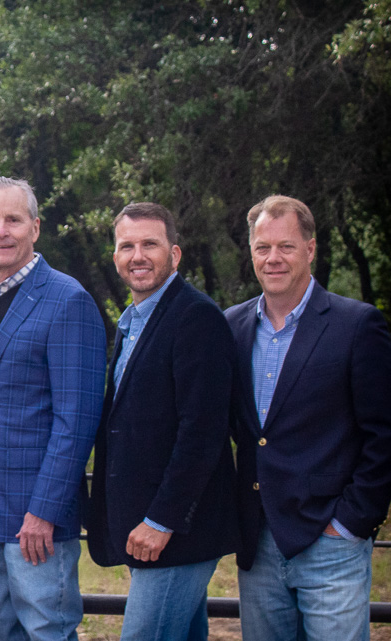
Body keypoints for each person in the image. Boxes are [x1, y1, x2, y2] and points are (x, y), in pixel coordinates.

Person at [225, 195, 391, 640]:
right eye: (263, 247)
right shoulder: (232, 327)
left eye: (286, 246)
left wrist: (351, 523)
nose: (273, 258)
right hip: (258, 544)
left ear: (311, 249)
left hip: (331, 542)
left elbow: (384, 435)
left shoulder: (357, 326)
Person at [85, 202, 239, 641]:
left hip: (176, 533)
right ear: (115, 256)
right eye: (126, 246)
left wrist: (162, 521)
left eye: (149, 244)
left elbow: (203, 432)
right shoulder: (133, 321)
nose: (137, 255)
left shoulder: (196, 317)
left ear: (174, 254)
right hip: (144, 527)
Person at [0, 177, 106, 641]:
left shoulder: (69, 300)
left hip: (35, 514)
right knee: (2, 630)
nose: (2, 231)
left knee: (47, 630)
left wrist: (43, 511)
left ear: (35, 228)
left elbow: (76, 421)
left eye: (14, 219)